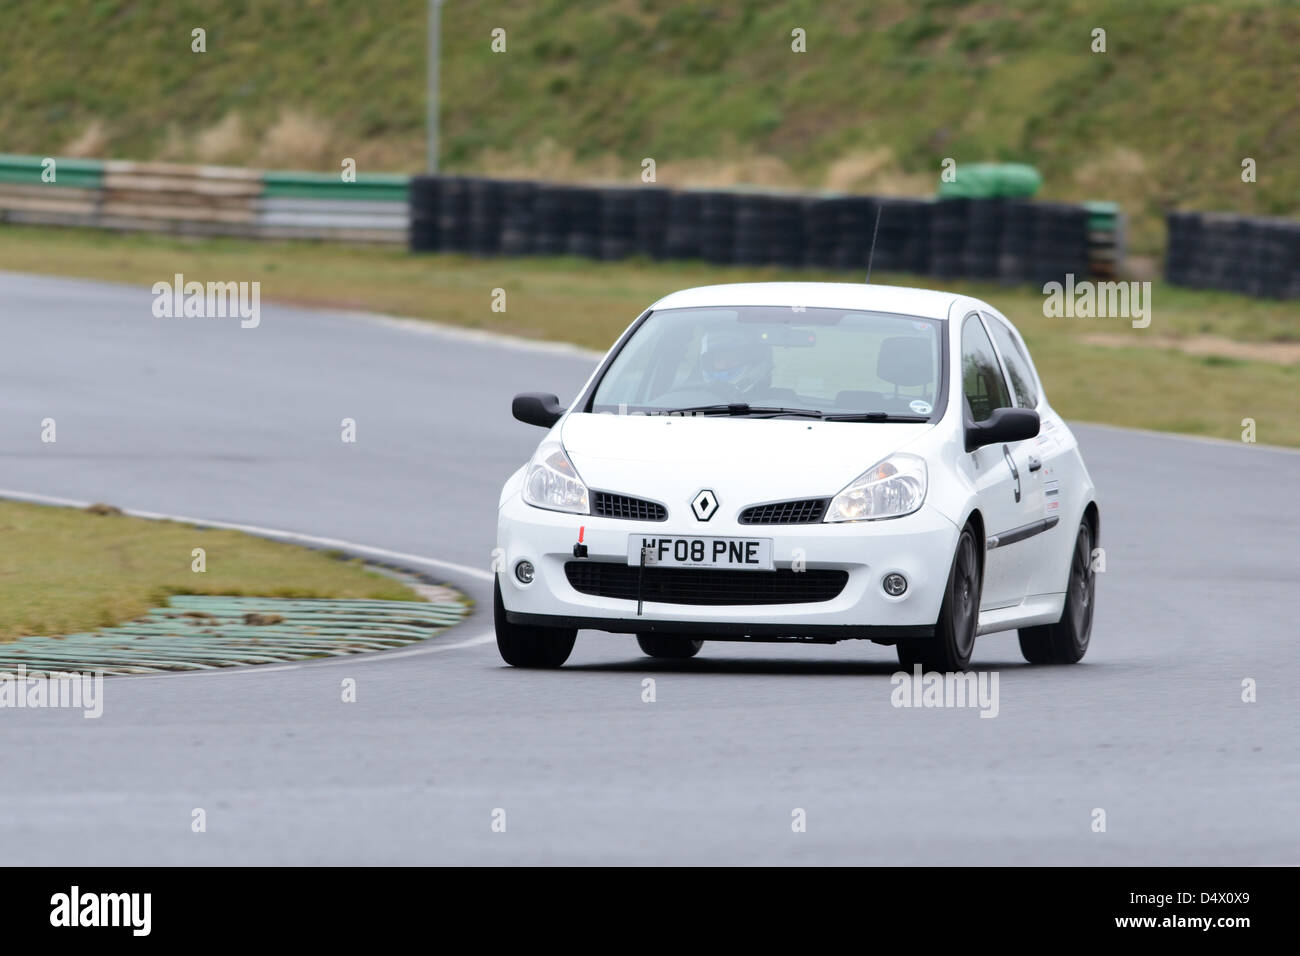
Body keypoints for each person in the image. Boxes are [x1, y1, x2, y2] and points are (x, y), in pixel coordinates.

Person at [698, 329, 772, 397]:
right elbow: (691, 412)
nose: (725, 364)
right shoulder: (695, 402)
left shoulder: (772, 404)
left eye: (732, 359)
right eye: (719, 360)